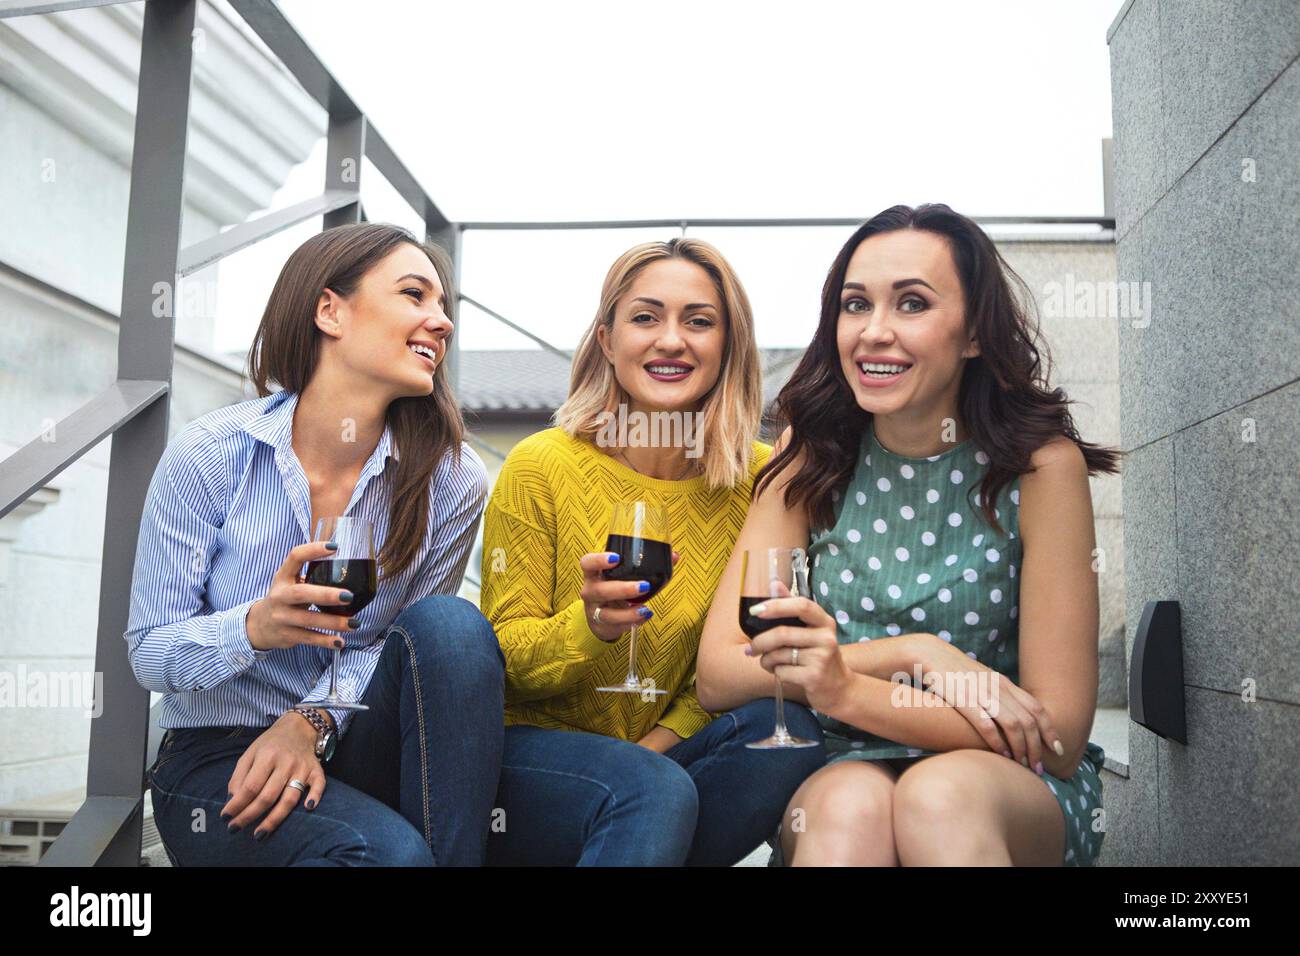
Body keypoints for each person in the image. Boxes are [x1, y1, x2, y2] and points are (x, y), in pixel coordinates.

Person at [697, 204, 1119, 866]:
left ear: (975, 333)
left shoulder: (1040, 468)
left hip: (1005, 772)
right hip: (846, 758)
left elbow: (1058, 734)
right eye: (855, 305)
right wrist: (911, 656)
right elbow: (720, 673)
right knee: (845, 810)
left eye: (912, 304)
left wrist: (847, 689)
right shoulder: (811, 453)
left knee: (937, 798)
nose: (874, 332)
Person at [128, 223, 503, 866]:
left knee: (452, 625)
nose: (440, 322)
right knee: (391, 859)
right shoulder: (211, 455)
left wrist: (310, 722)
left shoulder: (454, 478)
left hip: (356, 735)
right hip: (218, 754)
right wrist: (254, 627)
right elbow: (148, 654)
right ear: (330, 310)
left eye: (443, 307)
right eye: (414, 295)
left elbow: (405, 649)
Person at [479, 237, 824, 866]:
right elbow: (505, 661)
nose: (671, 340)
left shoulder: (760, 481)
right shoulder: (540, 465)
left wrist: (656, 749)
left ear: (728, 347)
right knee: (649, 790)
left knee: (788, 735)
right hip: (536, 763)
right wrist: (587, 628)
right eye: (646, 317)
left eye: (699, 321)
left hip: (664, 758)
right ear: (608, 341)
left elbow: (729, 667)